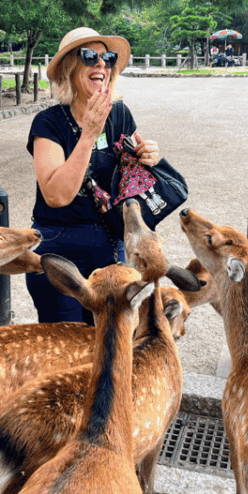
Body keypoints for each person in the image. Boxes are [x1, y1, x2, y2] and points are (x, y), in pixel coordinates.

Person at [25, 26, 160, 324]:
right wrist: (88, 135)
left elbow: (138, 167)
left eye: (108, 58)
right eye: (90, 56)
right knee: (68, 352)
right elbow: (56, 195)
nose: (101, 64)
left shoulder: (120, 114)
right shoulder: (48, 124)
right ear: (70, 67)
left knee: (109, 344)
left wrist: (150, 154)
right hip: (61, 248)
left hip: (112, 246)